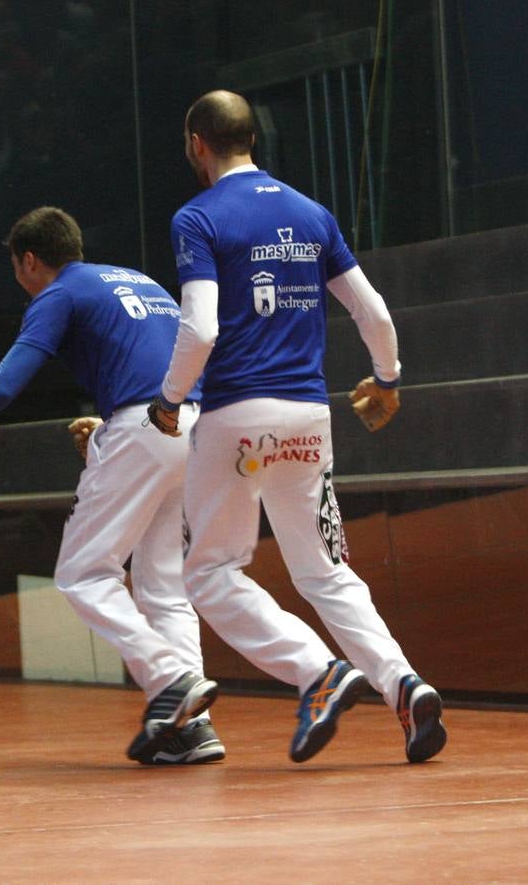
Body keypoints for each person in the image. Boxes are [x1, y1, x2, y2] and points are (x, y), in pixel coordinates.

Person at [148, 90, 446, 763]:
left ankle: (317, 672)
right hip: (309, 420)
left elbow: (198, 327)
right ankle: (404, 685)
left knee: (210, 572)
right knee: (326, 571)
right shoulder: (311, 213)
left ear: (197, 143)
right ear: (253, 138)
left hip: (235, 418)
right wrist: (389, 379)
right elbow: (372, 313)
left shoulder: (197, 218)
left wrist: (169, 401)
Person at [0, 207, 220, 765]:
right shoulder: (139, 282)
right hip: (196, 427)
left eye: (17, 270)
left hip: (145, 428)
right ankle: (193, 730)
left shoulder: (59, 292)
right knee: (163, 583)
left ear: (28, 260)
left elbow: (3, 385)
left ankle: (171, 680)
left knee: (81, 574)